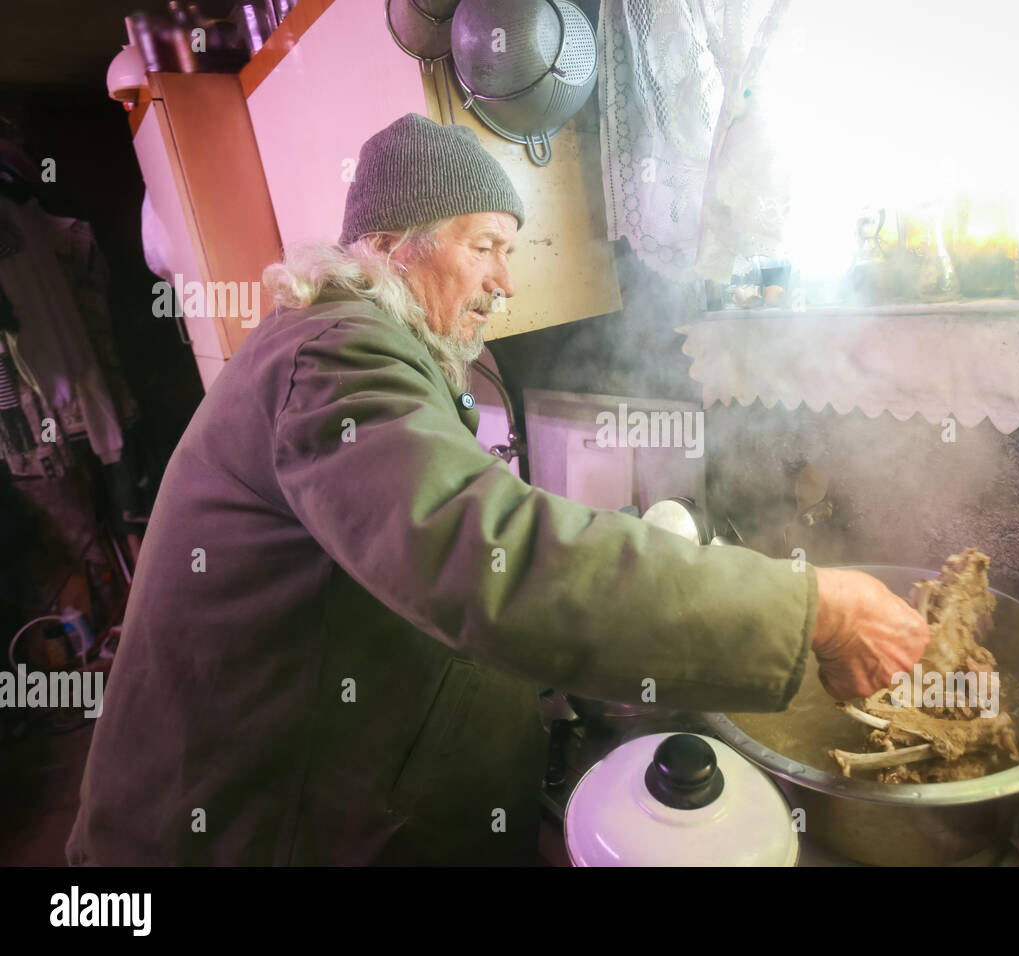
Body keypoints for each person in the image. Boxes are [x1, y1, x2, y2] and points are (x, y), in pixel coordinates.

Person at [66, 114, 929, 865]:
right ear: (396, 242)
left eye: (511, 253)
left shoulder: (360, 351)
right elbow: (488, 556)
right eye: (484, 246)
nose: (505, 283)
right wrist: (813, 607)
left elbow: (457, 531)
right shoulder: (332, 359)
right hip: (236, 833)